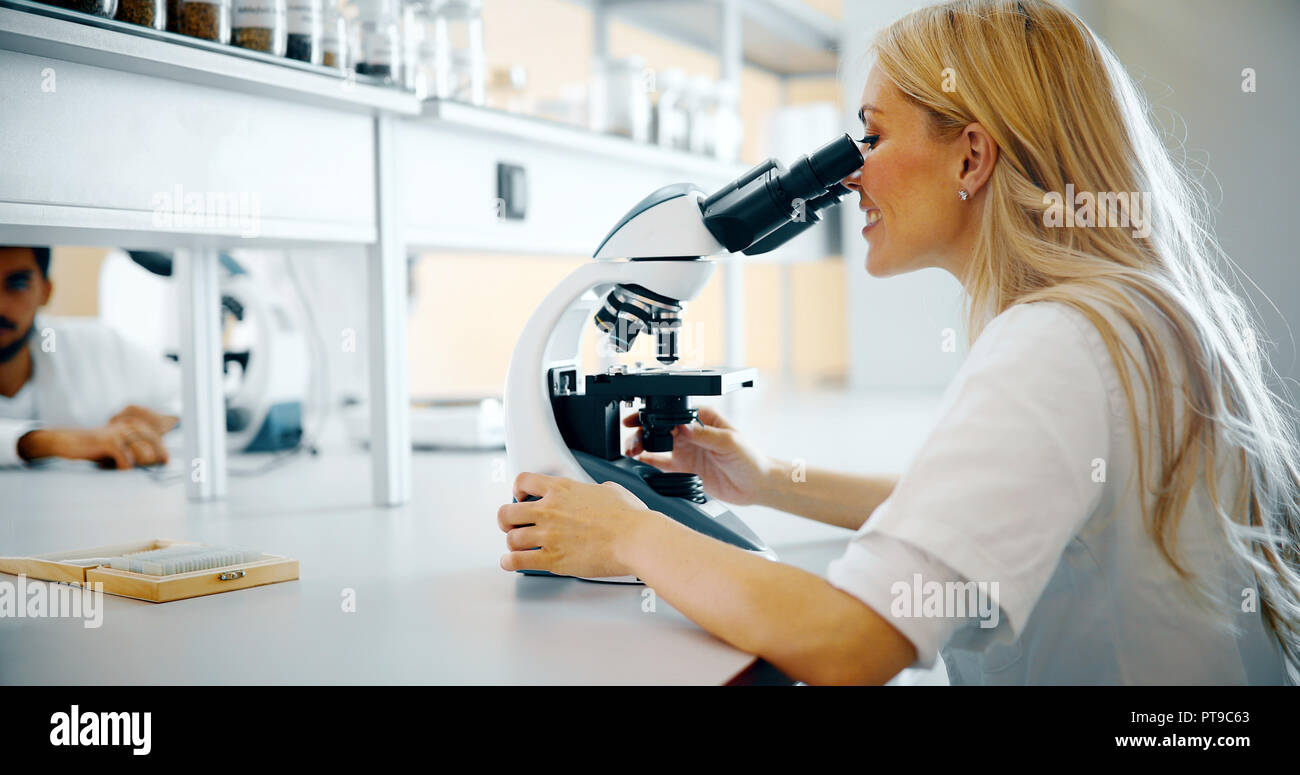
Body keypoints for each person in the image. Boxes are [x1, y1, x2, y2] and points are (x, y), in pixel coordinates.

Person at [495, 0, 1300, 685]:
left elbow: (851, 639)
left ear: (972, 155)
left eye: (871, 139)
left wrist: (629, 532)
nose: (849, 176)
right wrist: (770, 480)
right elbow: (988, 513)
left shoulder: (1057, 342)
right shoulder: (1125, 314)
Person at [0, 246, 180, 469]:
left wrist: (166, 422)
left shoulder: (96, 347)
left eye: (17, 284)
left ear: (46, 291)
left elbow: (196, 396)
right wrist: (58, 443)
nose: (1, 305)